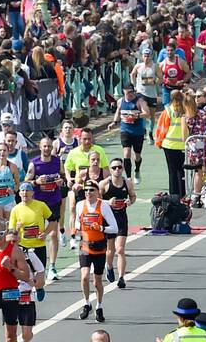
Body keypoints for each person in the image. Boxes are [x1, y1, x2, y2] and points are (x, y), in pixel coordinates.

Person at [75, 182, 118, 323]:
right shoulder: (80, 205)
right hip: (85, 247)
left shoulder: (103, 206)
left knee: (97, 281)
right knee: (84, 277)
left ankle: (99, 306)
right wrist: (76, 236)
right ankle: (87, 303)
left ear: (97, 192)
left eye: (91, 190)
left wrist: (100, 228)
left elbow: (114, 228)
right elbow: (77, 223)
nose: (88, 192)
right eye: (86, 190)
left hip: (99, 247)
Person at [27, 137, 65, 280]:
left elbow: (63, 176)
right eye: (44, 146)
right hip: (38, 203)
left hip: (54, 201)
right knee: (37, 234)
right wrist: (36, 181)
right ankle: (36, 266)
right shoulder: (34, 164)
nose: (47, 148)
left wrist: (62, 181)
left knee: (53, 234)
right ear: (40, 147)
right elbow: (26, 182)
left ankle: (52, 266)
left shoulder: (57, 161)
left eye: (49, 146)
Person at [100, 159, 134, 288]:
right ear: (110, 169)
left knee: (120, 249)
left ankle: (121, 277)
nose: (117, 170)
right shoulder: (104, 184)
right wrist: (107, 202)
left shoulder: (128, 183)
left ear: (123, 168)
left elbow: (133, 196)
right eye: (114, 168)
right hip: (109, 219)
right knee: (110, 250)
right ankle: (109, 266)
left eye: (119, 167)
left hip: (121, 218)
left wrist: (130, 202)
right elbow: (96, 199)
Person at [154, 90, 189, 199]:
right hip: (184, 145)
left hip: (169, 145)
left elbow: (162, 128)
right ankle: (182, 194)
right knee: (182, 171)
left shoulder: (168, 111)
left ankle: (174, 195)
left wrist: (158, 142)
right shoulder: (186, 110)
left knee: (172, 171)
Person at [114, 82, 147, 184]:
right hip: (125, 130)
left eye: (132, 92)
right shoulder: (120, 101)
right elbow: (118, 111)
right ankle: (128, 178)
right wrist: (114, 122)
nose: (130, 95)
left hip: (137, 132)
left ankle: (137, 170)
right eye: (128, 93)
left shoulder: (139, 101)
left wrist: (136, 116)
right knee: (126, 153)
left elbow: (147, 113)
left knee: (137, 156)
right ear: (124, 93)